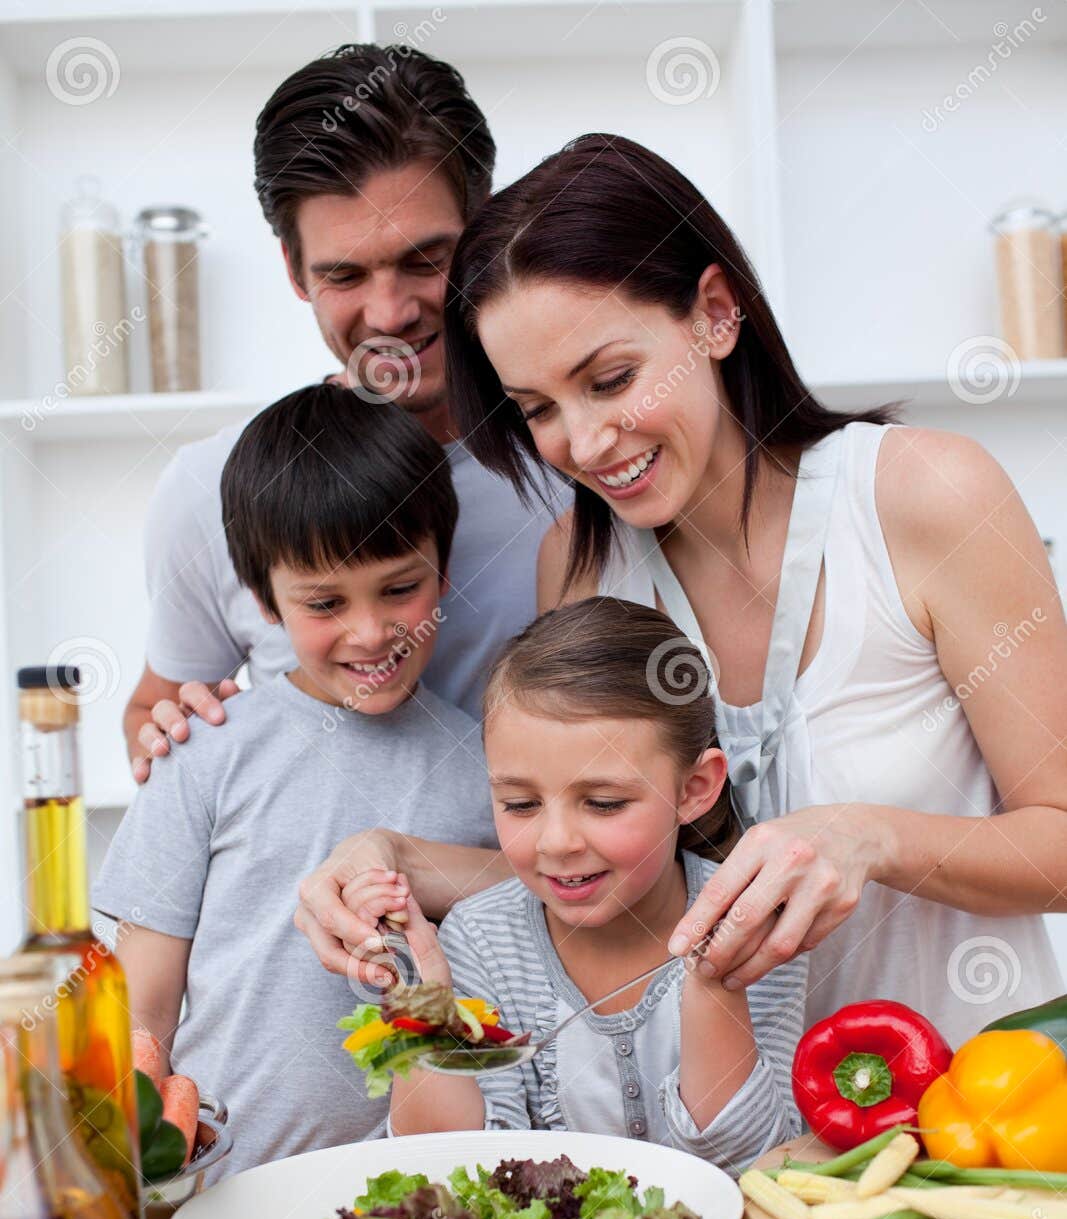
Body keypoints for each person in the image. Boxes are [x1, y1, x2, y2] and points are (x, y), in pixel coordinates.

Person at [298, 133, 1067, 1049]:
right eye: (538, 408)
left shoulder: (922, 496)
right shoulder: (582, 569)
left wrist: (871, 838)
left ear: (712, 313)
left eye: (610, 379)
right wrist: (393, 861)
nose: (583, 444)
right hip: (730, 1146)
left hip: (978, 1128)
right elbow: (593, 870)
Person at [123, 43, 560, 780]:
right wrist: (169, 738)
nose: (390, 311)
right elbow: (153, 708)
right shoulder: (211, 489)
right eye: (345, 274)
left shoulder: (579, 453)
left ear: (485, 232)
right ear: (295, 271)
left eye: (426, 260)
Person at [94, 384, 496, 1175]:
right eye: (324, 601)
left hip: (420, 1192)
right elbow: (144, 1010)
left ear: (443, 573)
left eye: (399, 587)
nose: (370, 631)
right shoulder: (201, 749)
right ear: (263, 602)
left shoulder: (487, 764)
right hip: (218, 1184)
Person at [373, 599, 806, 1172]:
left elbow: (754, 1162)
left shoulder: (756, 928)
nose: (556, 841)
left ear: (694, 788)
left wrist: (713, 981)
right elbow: (455, 1165)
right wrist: (423, 1012)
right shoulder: (479, 939)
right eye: (520, 803)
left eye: (603, 803)